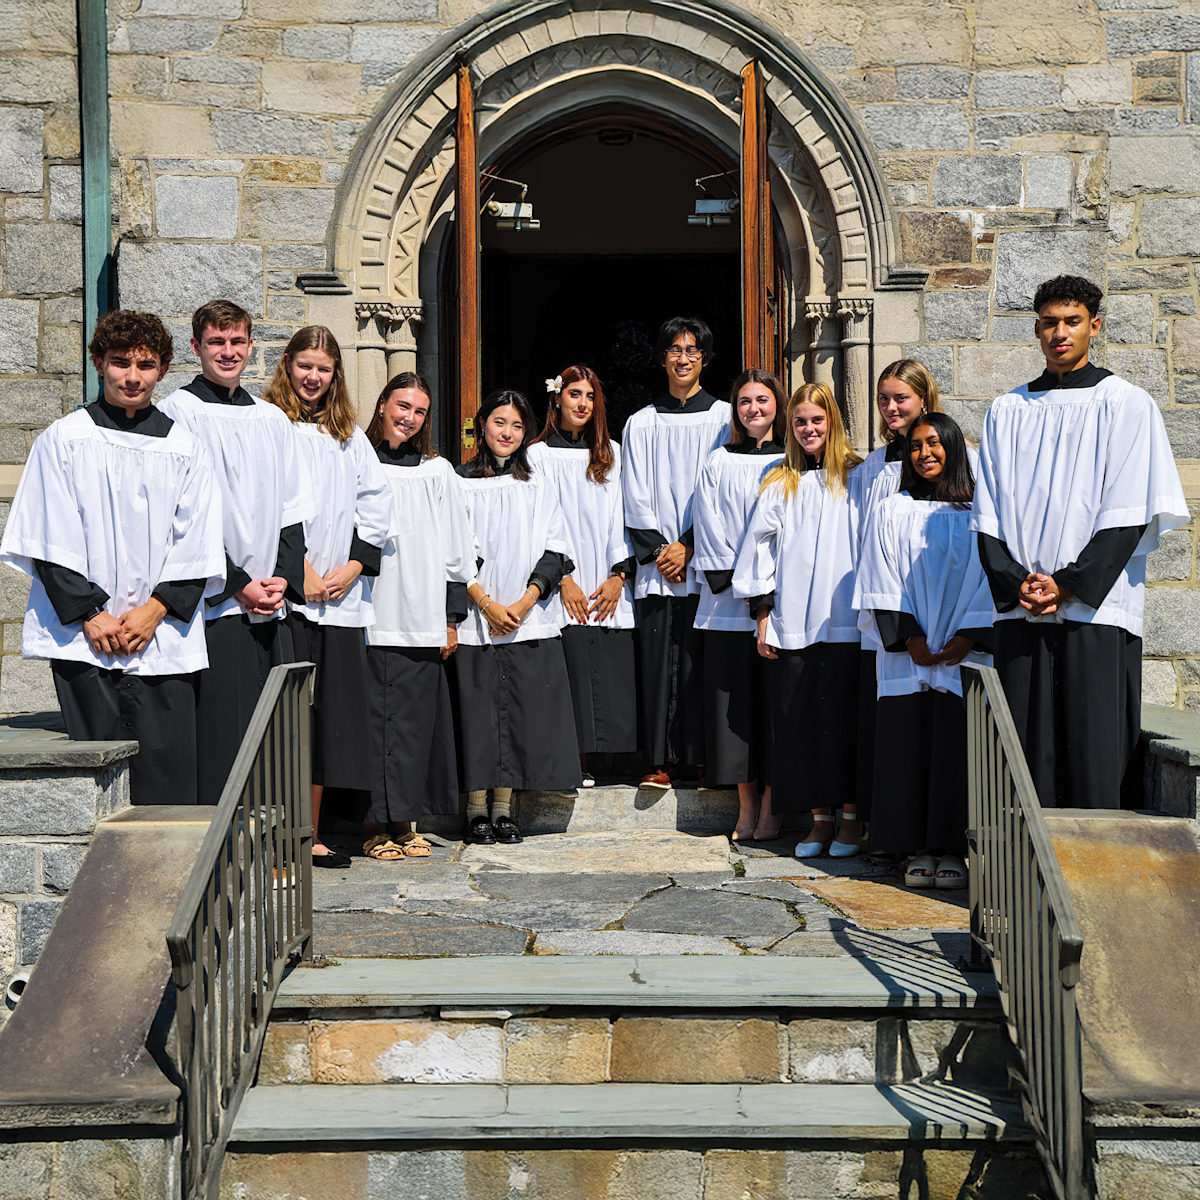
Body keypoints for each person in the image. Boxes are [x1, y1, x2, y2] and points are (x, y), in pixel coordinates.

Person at [972, 274, 1187, 810]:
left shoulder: (1127, 405)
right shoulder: (1007, 411)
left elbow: (1130, 509)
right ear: (1036, 329)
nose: (1059, 333)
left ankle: (1094, 883)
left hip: (1096, 608)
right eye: (1049, 323)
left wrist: (1068, 585)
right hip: (1023, 606)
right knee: (1021, 756)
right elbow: (988, 512)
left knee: (1093, 752)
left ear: (1095, 325)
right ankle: (1025, 884)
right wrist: (1017, 581)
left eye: (1072, 322)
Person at [0, 310, 224, 804]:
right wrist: (91, 614)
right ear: (99, 363)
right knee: (94, 783)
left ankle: (166, 881)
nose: (132, 376)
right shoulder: (65, 439)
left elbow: (199, 542)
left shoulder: (186, 448)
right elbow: (46, 533)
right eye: (120, 362)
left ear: (162, 369)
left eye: (145, 365)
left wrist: (153, 610)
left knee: (166, 778)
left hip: (162, 635)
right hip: (89, 639)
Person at [158, 300, 315, 806]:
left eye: (237, 342)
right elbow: (178, 518)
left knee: (275, 736)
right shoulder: (177, 415)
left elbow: (293, 510)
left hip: (271, 603)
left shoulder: (271, 420)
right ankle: (225, 855)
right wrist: (237, 582)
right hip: (219, 603)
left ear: (251, 346)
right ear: (196, 347)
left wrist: (283, 581)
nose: (228, 352)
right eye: (216, 342)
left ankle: (270, 849)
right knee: (227, 735)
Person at [264, 326, 394, 867]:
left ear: (336, 373)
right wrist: (300, 573)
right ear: (288, 365)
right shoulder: (269, 424)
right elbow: (261, 505)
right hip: (288, 599)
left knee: (326, 725)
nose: (314, 377)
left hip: (340, 602)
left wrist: (355, 565)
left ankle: (312, 834)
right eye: (305, 366)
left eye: (324, 368)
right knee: (288, 721)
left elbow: (377, 503)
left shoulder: (349, 435)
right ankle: (281, 836)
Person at [854, 412, 994, 888]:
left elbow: (989, 578)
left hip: (963, 650)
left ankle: (951, 848)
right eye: (915, 446)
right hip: (907, 655)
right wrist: (909, 636)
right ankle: (912, 847)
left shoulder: (981, 513)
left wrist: (968, 635)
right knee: (906, 744)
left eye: (934, 444)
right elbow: (879, 575)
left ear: (954, 447)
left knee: (955, 747)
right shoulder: (891, 509)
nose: (925, 453)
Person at [733, 382, 863, 856]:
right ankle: (818, 820)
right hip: (793, 619)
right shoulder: (779, 479)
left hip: (845, 617)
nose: (809, 429)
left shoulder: (858, 477)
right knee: (800, 723)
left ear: (833, 422)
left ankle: (850, 821)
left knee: (842, 720)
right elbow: (757, 552)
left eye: (817, 419)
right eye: (801, 421)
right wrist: (763, 614)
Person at [453, 389, 582, 843]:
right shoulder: (459, 481)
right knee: (479, 714)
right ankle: (475, 810)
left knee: (515, 715)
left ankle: (505, 809)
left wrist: (525, 602)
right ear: (481, 424)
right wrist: (486, 603)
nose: (506, 433)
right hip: (476, 617)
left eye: (517, 426)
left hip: (527, 616)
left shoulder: (538, 483)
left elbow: (556, 545)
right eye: (498, 423)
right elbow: (453, 550)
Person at [364, 372, 477, 857]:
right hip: (368, 611)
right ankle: (372, 826)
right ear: (383, 404)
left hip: (420, 613)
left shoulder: (438, 471)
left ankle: (405, 822)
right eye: (402, 405)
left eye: (419, 411)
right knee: (370, 724)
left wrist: (450, 618)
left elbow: (458, 549)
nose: (409, 418)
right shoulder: (358, 460)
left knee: (412, 726)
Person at [621, 316, 731, 788]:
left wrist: (688, 547)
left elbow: (724, 492)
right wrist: (661, 552)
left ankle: (701, 757)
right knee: (656, 662)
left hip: (702, 563)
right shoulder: (640, 424)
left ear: (705, 358)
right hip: (657, 570)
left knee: (700, 663)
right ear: (662, 357)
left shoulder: (726, 418)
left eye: (692, 350)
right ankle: (659, 760)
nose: (683, 358)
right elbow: (633, 494)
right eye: (674, 349)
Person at [849, 360, 946, 860]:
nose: (890, 408)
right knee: (892, 730)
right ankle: (888, 834)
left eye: (900, 398)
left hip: (946, 620)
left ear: (924, 399)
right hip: (889, 618)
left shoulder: (958, 461)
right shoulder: (872, 468)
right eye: (883, 399)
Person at [529, 366, 637, 788]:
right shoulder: (539, 455)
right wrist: (564, 577)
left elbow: (619, 516)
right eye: (574, 394)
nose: (582, 404)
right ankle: (570, 760)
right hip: (564, 579)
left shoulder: (610, 451)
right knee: (568, 668)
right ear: (556, 398)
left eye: (590, 396)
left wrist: (617, 574)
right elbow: (543, 520)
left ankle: (602, 760)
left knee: (605, 668)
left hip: (604, 577)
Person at [693, 369, 784, 839]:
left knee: (772, 708)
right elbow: (708, 526)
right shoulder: (718, 463)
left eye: (763, 400)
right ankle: (746, 805)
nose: (754, 409)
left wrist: (766, 594)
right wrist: (745, 588)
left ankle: (772, 804)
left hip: (778, 611)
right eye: (745, 401)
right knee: (735, 711)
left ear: (777, 406)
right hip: (728, 606)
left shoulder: (792, 462)